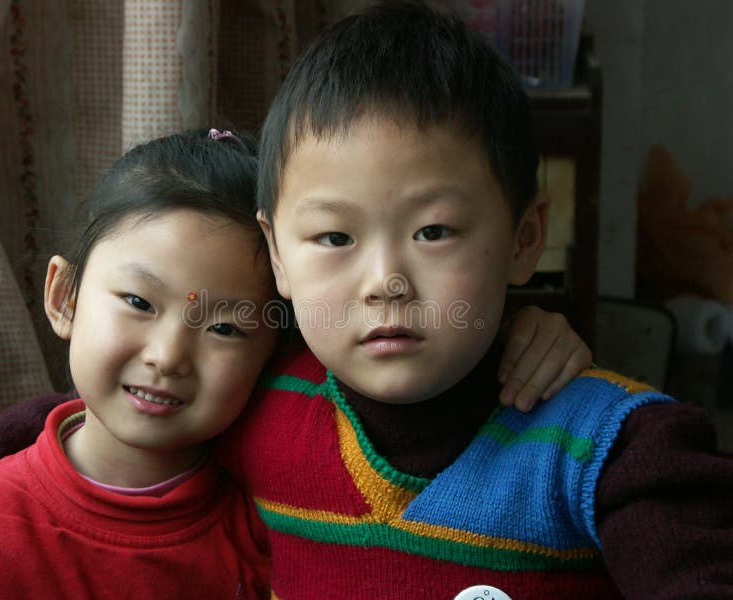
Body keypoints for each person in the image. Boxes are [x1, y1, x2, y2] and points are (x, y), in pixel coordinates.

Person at [219, 2, 730, 598]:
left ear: (525, 238)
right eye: (335, 237)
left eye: (433, 231)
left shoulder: (615, 451)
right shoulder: (250, 408)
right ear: (277, 255)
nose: (385, 281)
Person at [0, 129, 278, 598]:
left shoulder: (283, 521)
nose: (167, 356)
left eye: (224, 328)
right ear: (65, 298)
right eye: (138, 302)